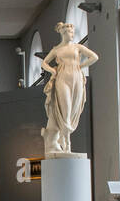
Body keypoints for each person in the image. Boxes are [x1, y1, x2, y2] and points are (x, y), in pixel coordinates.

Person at [40, 21, 98, 153]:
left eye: (72, 32)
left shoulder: (77, 47)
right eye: (68, 32)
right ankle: (67, 144)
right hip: (62, 78)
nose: (71, 34)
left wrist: (81, 66)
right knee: (65, 109)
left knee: (73, 109)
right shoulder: (57, 49)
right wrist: (52, 71)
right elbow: (44, 63)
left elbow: (94, 57)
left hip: (76, 78)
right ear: (62, 33)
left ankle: (62, 138)